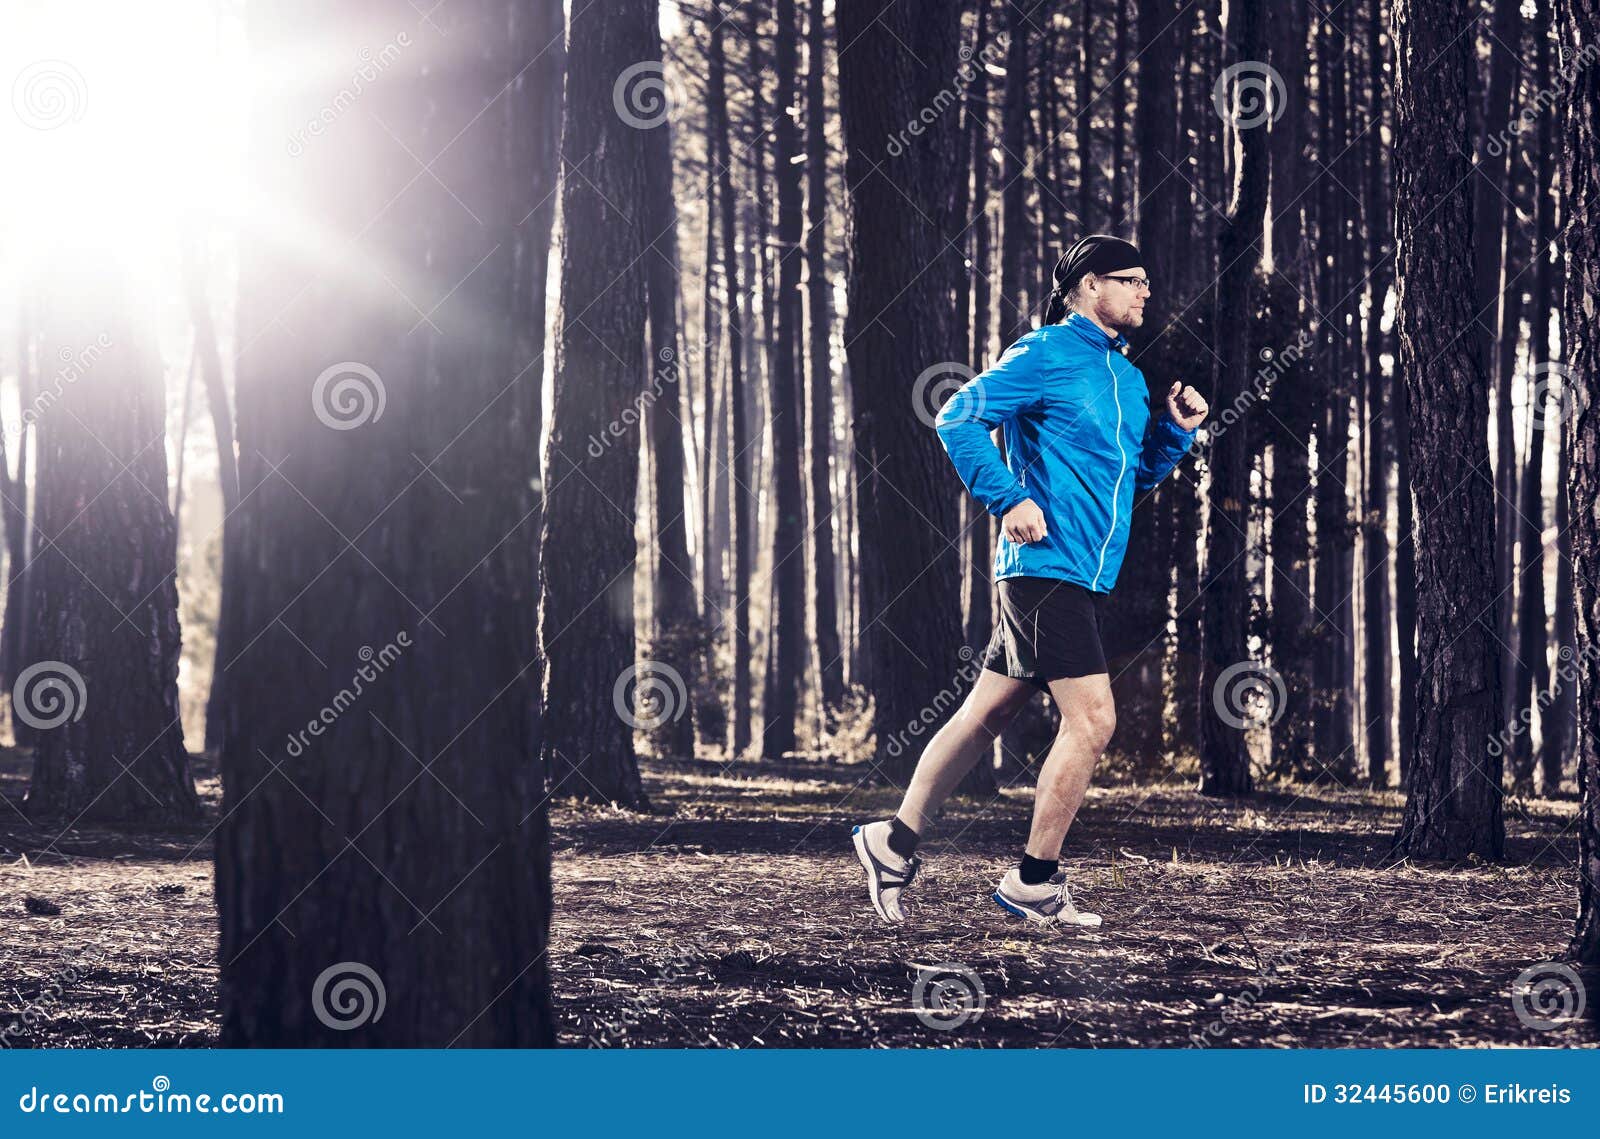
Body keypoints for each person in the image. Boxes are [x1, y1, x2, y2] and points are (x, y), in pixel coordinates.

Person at [852, 234, 1209, 927]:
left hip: (1082, 574)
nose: (1144, 292)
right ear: (1086, 286)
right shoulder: (1044, 353)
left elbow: (1128, 480)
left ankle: (892, 842)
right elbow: (957, 416)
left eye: (1145, 281)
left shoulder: (1130, 381)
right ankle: (1034, 881)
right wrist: (1009, 497)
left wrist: (1175, 432)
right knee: (1095, 718)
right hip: (1042, 569)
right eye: (1129, 280)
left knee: (986, 713)